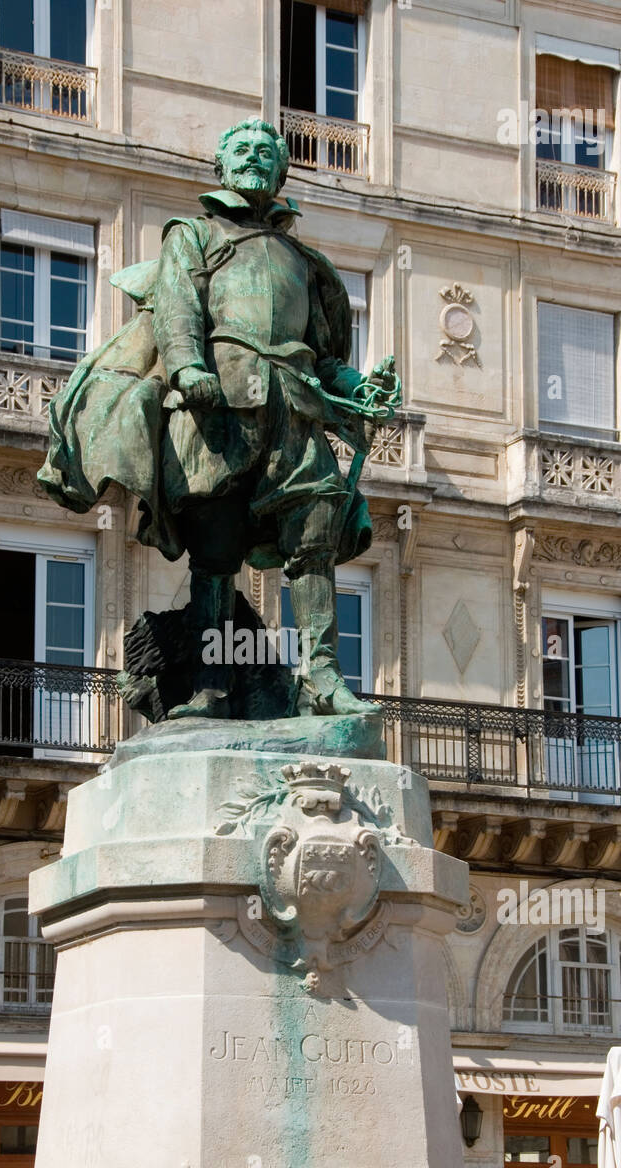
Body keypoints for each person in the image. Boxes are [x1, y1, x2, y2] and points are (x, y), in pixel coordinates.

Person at [39, 118, 400, 720]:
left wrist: (361, 388)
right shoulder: (195, 235)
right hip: (216, 409)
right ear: (222, 166)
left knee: (313, 538)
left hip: (293, 404)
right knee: (215, 551)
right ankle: (210, 683)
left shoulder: (304, 261)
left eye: (266, 151)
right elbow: (178, 308)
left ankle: (325, 677)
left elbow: (327, 356)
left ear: (282, 170)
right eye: (242, 150)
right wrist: (185, 369)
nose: (254, 158)